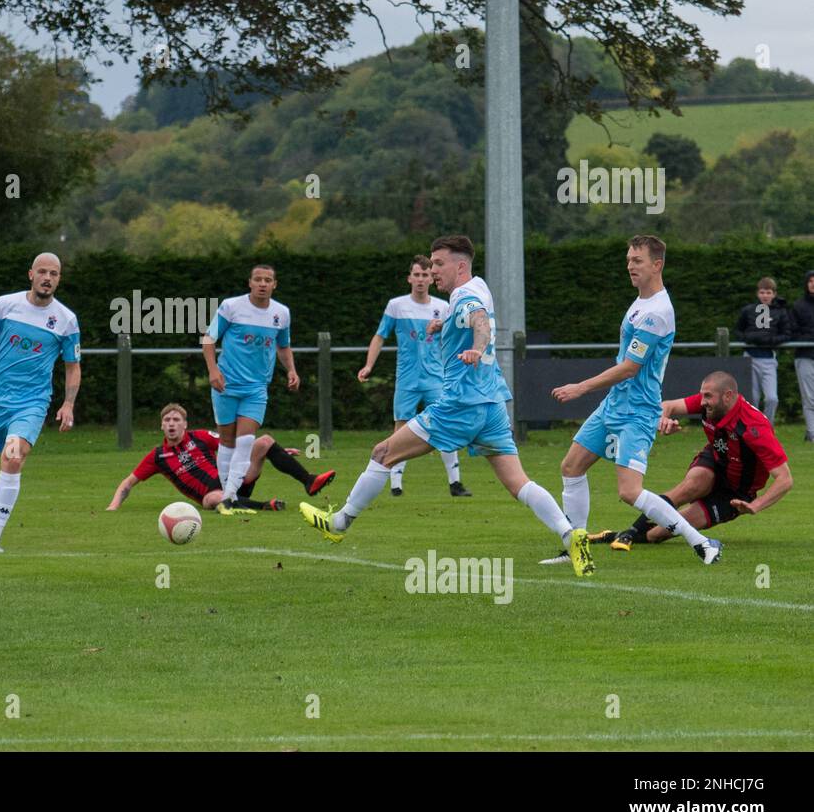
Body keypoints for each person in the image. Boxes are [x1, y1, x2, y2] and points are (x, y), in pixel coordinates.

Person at [299, 235, 593, 577]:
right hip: (493, 404)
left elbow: (479, 321)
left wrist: (477, 348)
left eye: (439, 263)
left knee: (382, 453)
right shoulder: (479, 286)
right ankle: (572, 536)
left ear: (460, 265)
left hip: (460, 405)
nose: (433, 269)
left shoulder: (465, 295)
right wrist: (445, 324)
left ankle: (339, 523)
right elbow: (471, 316)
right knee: (519, 483)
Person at [551, 235, 722, 566]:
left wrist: (580, 388)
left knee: (629, 491)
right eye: (629, 259)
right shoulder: (641, 303)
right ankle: (577, 552)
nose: (630, 265)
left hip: (637, 412)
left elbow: (630, 367)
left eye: (637, 260)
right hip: (614, 405)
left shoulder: (657, 312)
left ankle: (702, 543)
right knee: (571, 467)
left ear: (657, 265)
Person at [0, 252, 80, 553]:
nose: (47, 278)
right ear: (31, 274)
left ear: (59, 279)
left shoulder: (66, 320)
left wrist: (68, 403)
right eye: (42, 272)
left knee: (13, 457)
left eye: (53, 274)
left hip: (31, 403)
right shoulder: (5, 305)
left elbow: (72, 366)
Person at [596, 372, 792, 550]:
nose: (703, 402)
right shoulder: (708, 404)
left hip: (737, 491)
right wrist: (663, 419)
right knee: (691, 485)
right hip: (715, 461)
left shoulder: (754, 428)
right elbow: (667, 406)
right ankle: (630, 533)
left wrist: (756, 506)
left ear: (728, 396)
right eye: (702, 395)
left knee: (658, 533)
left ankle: (615, 535)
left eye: (708, 396)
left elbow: (785, 479)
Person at [358, 254, 470, 498]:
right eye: (416, 274)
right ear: (409, 278)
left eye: (425, 275)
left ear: (431, 278)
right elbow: (380, 336)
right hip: (407, 379)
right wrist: (368, 365)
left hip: (436, 378)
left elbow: (454, 341)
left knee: (445, 424)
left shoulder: (442, 307)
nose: (420, 279)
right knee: (401, 427)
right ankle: (396, 484)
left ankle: (455, 482)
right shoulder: (396, 305)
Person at [106, 402, 335, 512]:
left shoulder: (200, 436)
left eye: (176, 420)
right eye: (167, 420)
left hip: (234, 480)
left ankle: (309, 481)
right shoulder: (158, 456)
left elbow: (235, 445)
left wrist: (279, 452)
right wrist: (113, 507)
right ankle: (265, 506)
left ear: (185, 424)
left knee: (264, 441)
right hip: (212, 495)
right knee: (213, 499)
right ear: (161, 426)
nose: (171, 424)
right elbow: (128, 483)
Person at [202, 264, 299, 515]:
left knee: (245, 440)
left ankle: (229, 498)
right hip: (226, 384)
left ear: (274, 284)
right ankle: (230, 496)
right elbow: (209, 339)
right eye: (258, 279)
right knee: (227, 440)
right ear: (250, 282)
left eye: (268, 280)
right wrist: (213, 371)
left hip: (256, 388)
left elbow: (283, 346)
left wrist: (291, 370)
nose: (262, 284)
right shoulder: (231, 307)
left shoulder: (281, 313)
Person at [735, 276, 789, 424]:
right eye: (762, 292)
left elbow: (786, 334)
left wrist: (770, 340)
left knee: (772, 398)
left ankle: (766, 426)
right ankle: (753, 427)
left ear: (774, 294)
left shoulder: (780, 312)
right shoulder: (748, 311)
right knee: (753, 398)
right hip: (750, 358)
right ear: (758, 293)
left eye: (768, 292)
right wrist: (749, 338)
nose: (765, 295)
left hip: (768, 359)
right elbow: (738, 331)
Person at [790, 270, 814, 443]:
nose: (813, 284)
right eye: (810, 281)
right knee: (809, 397)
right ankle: (812, 431)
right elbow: (793, 331)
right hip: (805, 356)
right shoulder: (798, 306)